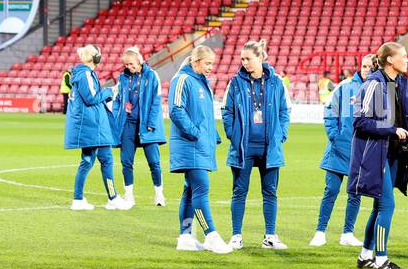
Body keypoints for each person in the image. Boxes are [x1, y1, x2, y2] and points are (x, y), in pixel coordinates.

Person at [349, 41, 408, 269]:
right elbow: (360, 121)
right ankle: (381, 260)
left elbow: (401, 122)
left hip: (392, 153)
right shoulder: (373, 83)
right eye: (403, 56)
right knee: (386, 206)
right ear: (390, 60)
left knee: (378, 207)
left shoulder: (399, 83)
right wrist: (392, 130)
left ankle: (365, 255)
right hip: (375, 154)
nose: (406, 60)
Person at [222, 39, 291, 250]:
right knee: (239, 191)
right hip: (243, 147)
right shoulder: (235, 82)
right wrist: (234, 135)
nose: (244, 63)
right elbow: (227, 111)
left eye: (248, 59)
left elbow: (284, 111)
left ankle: (270, 236)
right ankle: (236, 236)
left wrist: (281, 135)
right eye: (242, 59)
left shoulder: (277, 82)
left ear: (261, 58)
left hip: (269, 147)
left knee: (270, 192)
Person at [169, 45, 233, 254]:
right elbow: (176, 110)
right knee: (200, 189)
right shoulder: (182, 80)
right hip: (189, 145)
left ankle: (185, 237)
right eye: (207, 63)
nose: (210, 67)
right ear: (195, 62)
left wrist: (212, 135)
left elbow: (203, 115)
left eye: (212, 64)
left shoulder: (200, 82)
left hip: (200, 146)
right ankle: (211, 236)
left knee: (190, 191)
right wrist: (195, 133)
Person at [310, 56, 372, 247]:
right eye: (364, 66)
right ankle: (320, 231)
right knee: (331, 190)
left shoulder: (379, 90)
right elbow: (329, 111)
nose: (366, 70)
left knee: (355, 194)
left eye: (371, 67)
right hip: (339, 148)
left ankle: (347, 233)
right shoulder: (345, 86)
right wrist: (334, 135)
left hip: (362, 151)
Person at [64, 45, 124, 211]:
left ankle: (112, 197)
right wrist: (109, 91)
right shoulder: (84, 74)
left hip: (96, 126)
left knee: (106, 160)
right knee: (88, 161)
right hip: (91, 126)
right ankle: (78, 199)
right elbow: (91, 98)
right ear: (96, 58)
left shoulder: (85, 73)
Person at [110, 47, 166, 209]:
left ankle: (159, 193)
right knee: (126, 161)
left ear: (139, 61)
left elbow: (156, 100)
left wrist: (151, 122)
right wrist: (115, 119)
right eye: (126, 64)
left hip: (146, 124)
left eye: (131, 63)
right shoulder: (122, 78)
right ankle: (129, 196)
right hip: (128, 124)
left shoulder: (151, 75)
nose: (129, 67)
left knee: (154, 162)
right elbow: (117, 101)